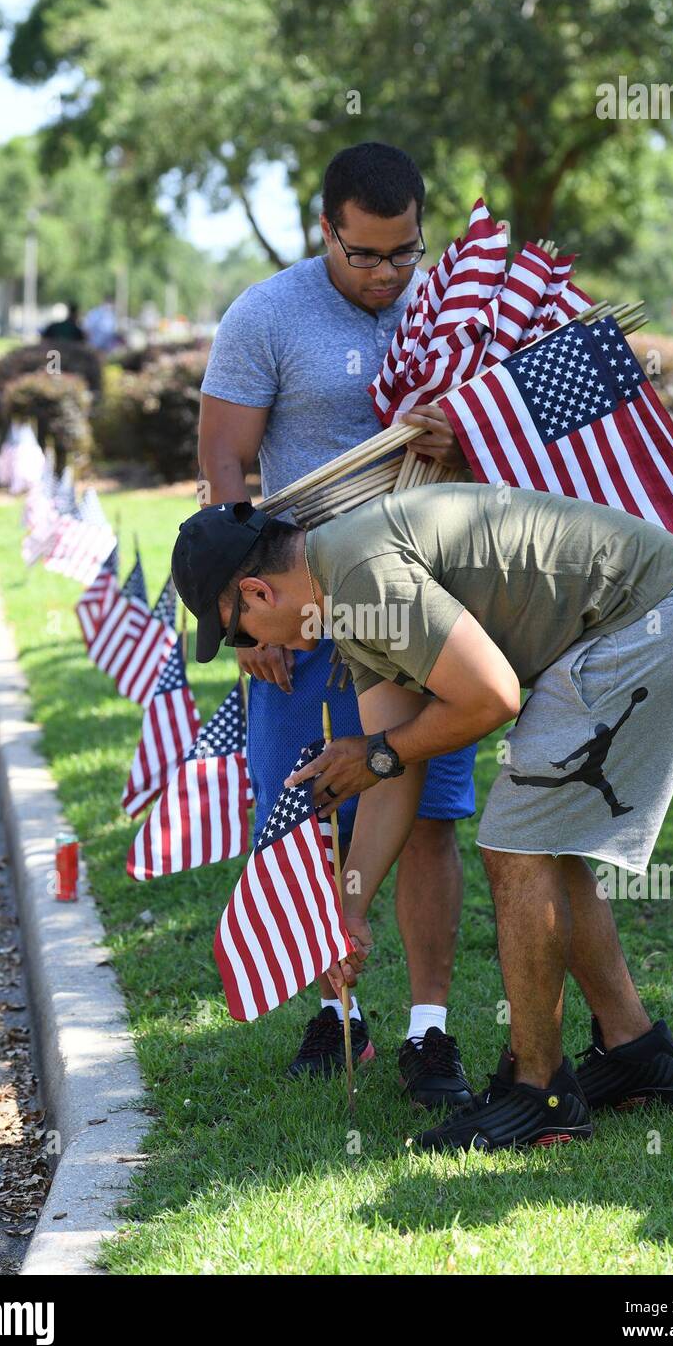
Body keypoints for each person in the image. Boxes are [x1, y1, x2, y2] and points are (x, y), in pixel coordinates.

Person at [170, 484, 673, 1151]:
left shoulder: (359, 576)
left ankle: (539, 1092)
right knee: (536, 835)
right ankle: (636, 1050)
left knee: (516, 845)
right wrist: (348, 910)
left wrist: (378, 753)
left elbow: (489, 698)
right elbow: (392, 773)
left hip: (651, 617)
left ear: (260, 594)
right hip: (643, 613)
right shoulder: (341, 593)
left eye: (234, 630)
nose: (249, 643)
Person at [196, 142, 480, 1109]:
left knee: (430, 812)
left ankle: (427, 1032)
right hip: (299, 613)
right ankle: (337, 1011)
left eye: (405, 253)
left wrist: (461, 433)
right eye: (366, 255)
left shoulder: (452, 314)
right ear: (325, 229)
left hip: (424, 605)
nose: (389, 275)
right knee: (315, 810)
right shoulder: (266, 314)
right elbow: (225, 475)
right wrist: (249, 628)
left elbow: (506, 457)